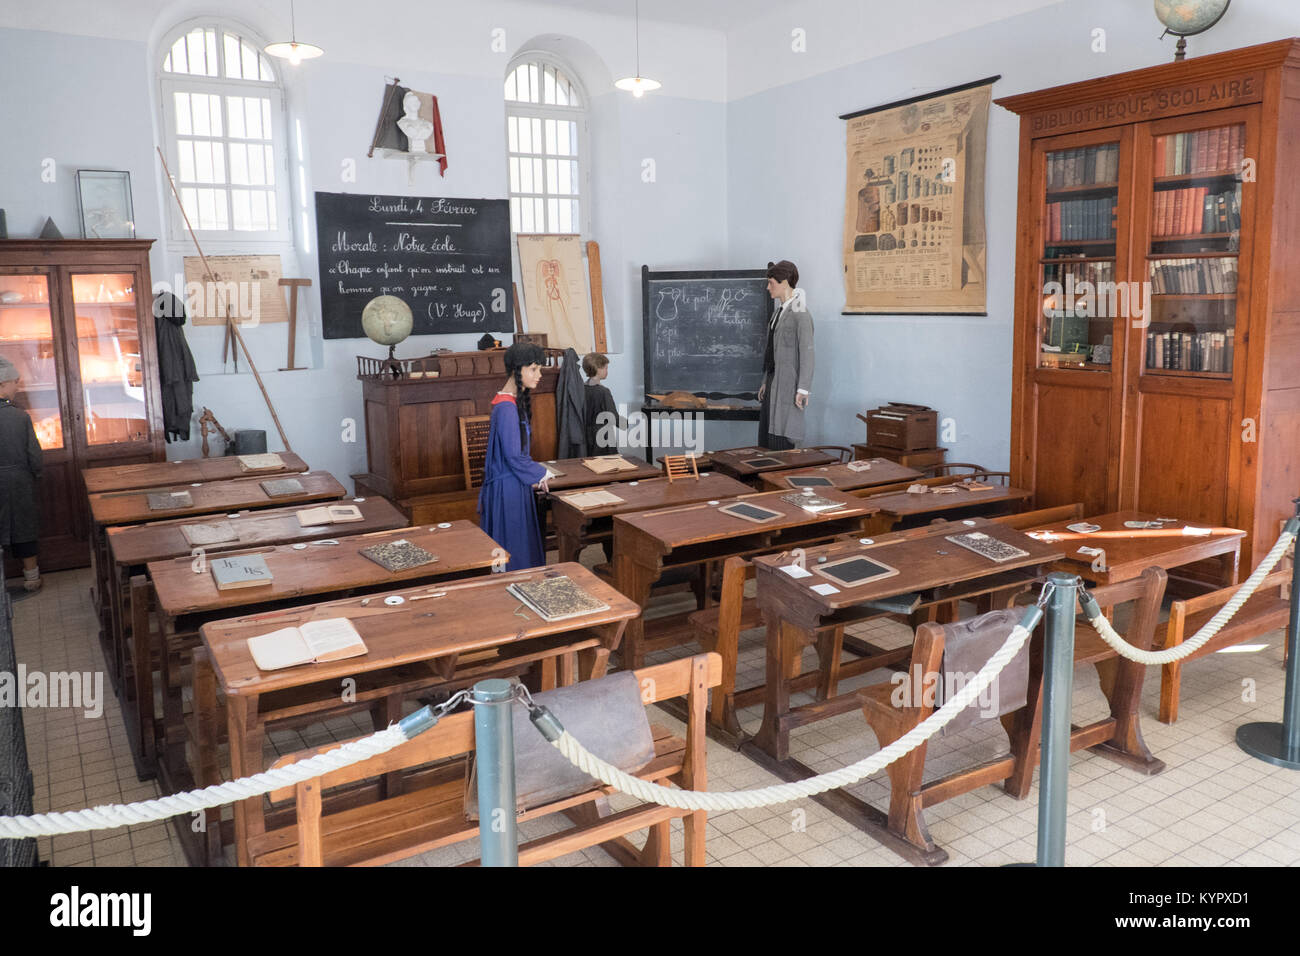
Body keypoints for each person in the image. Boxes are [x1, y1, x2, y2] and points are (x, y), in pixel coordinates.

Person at [478, 342, 549, 571]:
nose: (538, 375)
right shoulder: (507, 407)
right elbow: (513, 456)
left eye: (540, 369)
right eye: (533, 369)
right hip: (508, 489)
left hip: (514, 483)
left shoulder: (509, 402)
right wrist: (542, 473)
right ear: (517, 370)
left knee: (519, 544)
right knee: (513, 547)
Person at [758, 259, 814, 450]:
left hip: (789, 385)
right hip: (773, 381)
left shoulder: (801, 314)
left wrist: (803, 389)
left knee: (785, 435)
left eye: (771, 283)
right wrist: (766, 380)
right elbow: (771, 351)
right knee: (767, 437)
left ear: (784, 283)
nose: (767, 288)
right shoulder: (776, 314)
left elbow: (808, 353)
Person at [0, 357, 43, 591]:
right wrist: (36, 474)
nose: (17, 386)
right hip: (19, 481)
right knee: (24, 528)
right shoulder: (20, 417)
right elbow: (34, 455)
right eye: (14, 382)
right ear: (2, 385)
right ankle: (32, 578)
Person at [581, 352, 623, 456]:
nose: (607, 371)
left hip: (585, 436)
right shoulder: (603, 392)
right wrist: (626, 423)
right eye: (605, 368)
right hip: (602, 437)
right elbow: (612, 417)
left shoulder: (581, 389)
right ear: (598, 369)